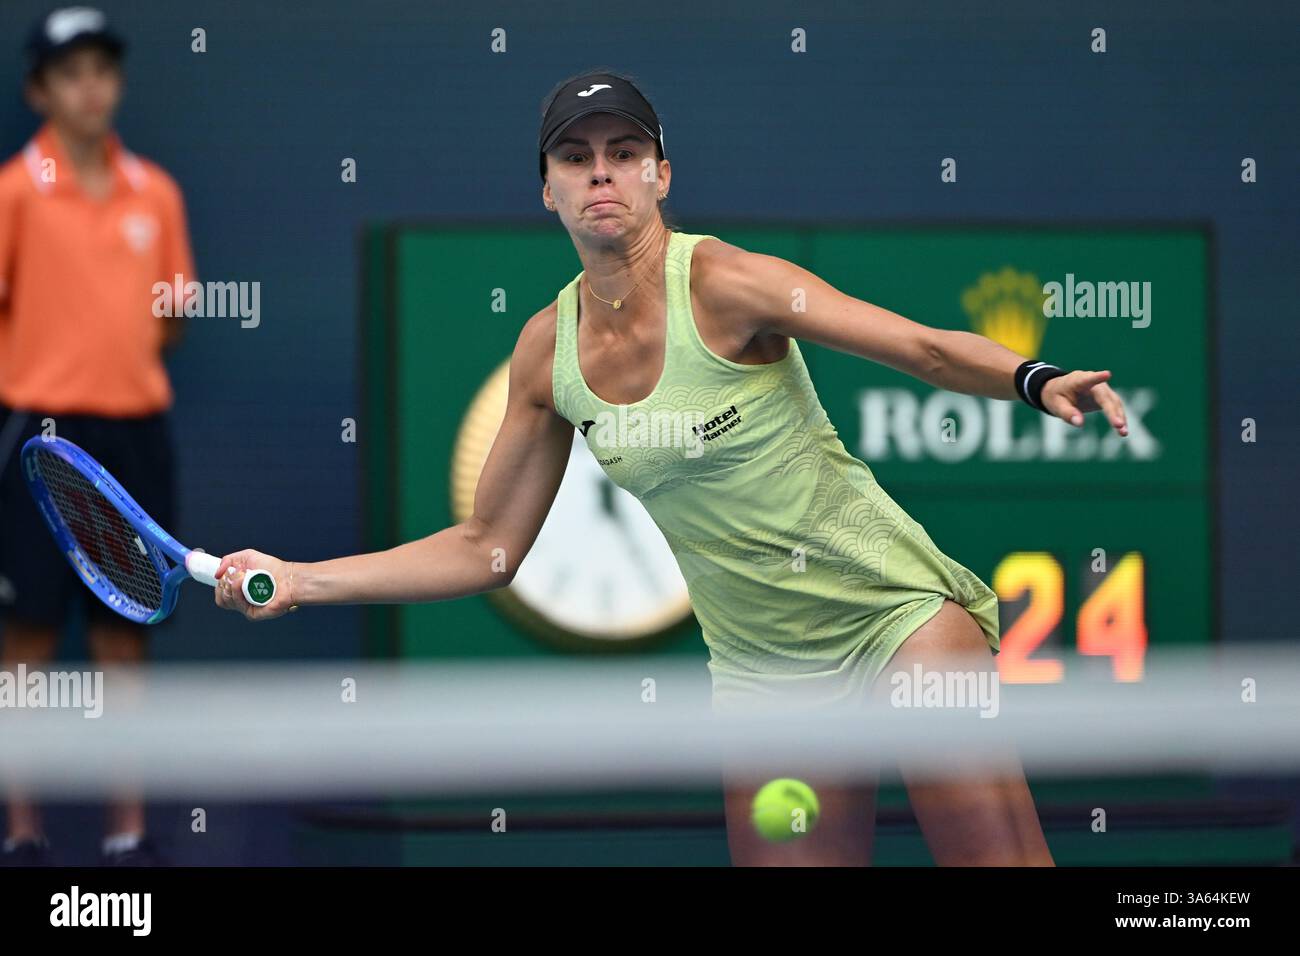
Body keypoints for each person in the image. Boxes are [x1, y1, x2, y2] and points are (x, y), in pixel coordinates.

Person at [211, 70, 1128, 866]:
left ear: (661, 174)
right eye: (575, 156)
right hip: (764, 678)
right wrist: (299, 578)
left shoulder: (729, 283)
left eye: (623, 150)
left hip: (897, 618)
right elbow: (484, 548)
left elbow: (922, 348)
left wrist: (1032, 377)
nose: (600, 171)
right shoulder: (547, 353)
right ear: (547, 190)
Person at [0, 7, 193, 866]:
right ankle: (22, 835)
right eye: (71, 72)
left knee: (124, 636)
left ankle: (128, 834)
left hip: (136, 438)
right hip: (38, 437)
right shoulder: (12, 191)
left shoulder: (157, 192)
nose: (91, 87)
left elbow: (173, 318)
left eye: (102, 70)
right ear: (41, 90)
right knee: (28, 638)